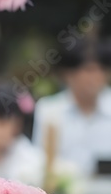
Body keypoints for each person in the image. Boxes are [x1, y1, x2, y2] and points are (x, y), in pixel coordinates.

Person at [31, 37, 111, 177]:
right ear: (68, 74)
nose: (94, 77)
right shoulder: (49, 109)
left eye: (101, 69)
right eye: (88, 70)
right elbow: (38, 161)